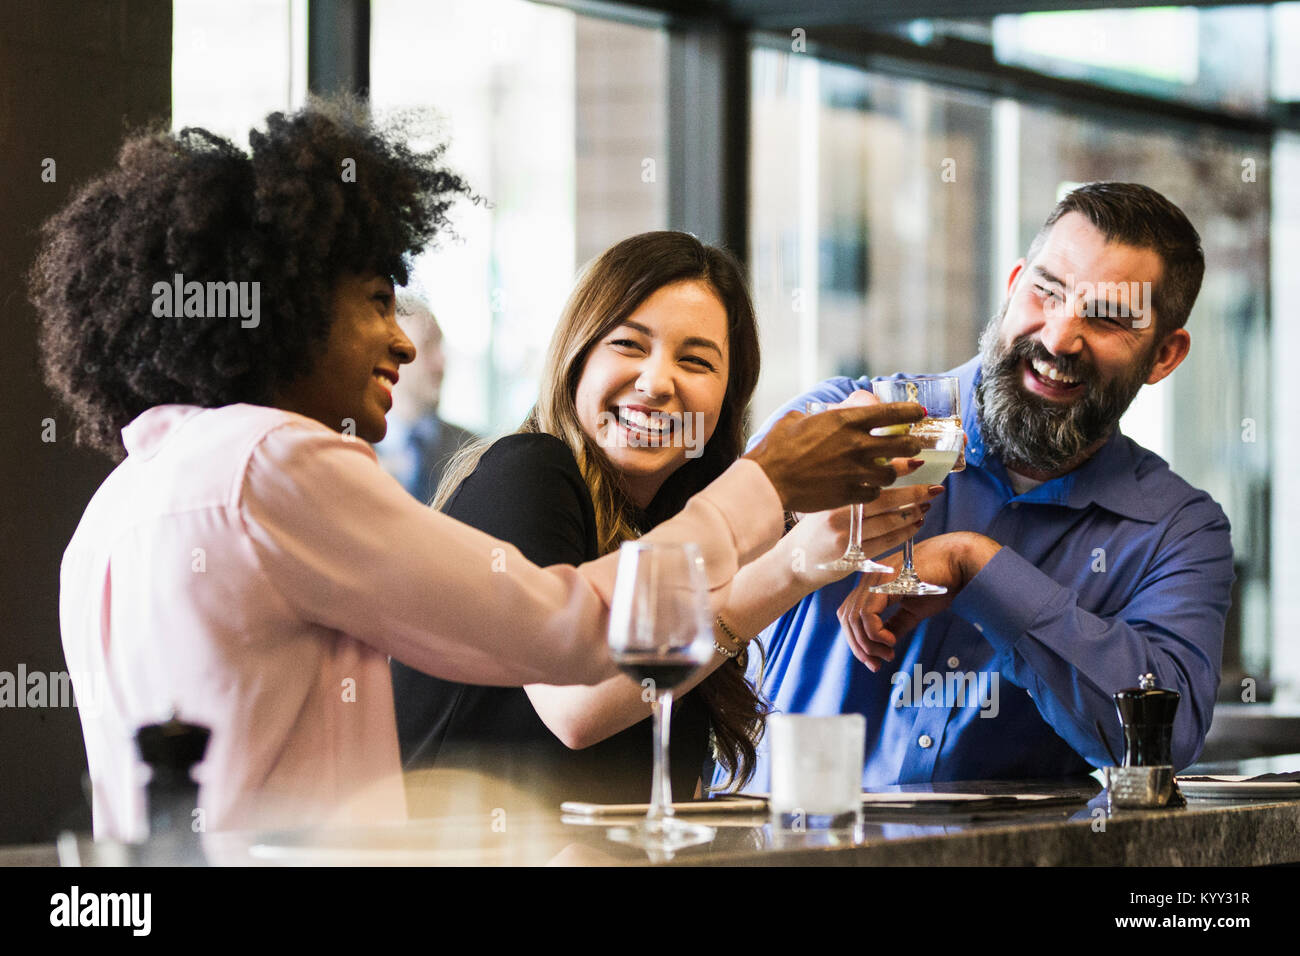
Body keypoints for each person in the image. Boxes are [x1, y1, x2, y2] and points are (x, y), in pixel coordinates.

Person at [30, 99, 925, 840]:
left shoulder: (128, 491)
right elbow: (565, 633)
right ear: (290, 305)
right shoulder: (278, 462)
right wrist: (766, 486)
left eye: (698, 358)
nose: (402, 338)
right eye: (379, 300)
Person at [392, 231, 937, 812]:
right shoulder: (526, 472)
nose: (656, 384)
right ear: (576, 356)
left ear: (727, 397)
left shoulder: (682, 531)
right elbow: (575, 710)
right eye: (629, 345)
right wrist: (794, 567)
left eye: (696, 360)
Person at [716, 182, 1234, 792]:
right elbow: (685, 600)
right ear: (1014, 285)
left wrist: (980, 568)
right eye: (1047, 290)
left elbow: (1160, 743)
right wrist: (803, 519)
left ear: (1164, 356)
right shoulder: (845, 421)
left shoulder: (1178, 531)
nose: (1059, 338)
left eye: (1109, 318)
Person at [372, 291, 477, 503]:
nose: (442, 362)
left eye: (441, 346)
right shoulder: (349, 447)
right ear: (391, 356)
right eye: (428, 346)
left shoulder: (475, 454)